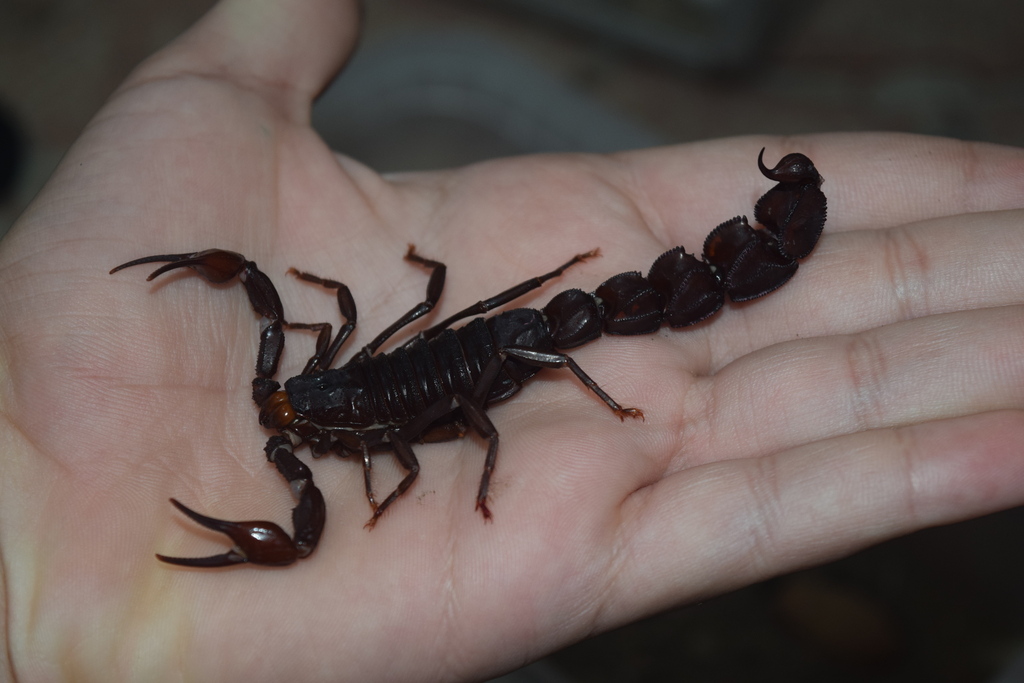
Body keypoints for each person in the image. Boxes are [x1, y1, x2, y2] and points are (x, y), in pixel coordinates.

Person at [2, 0, 1023, 680]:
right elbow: (334, 387)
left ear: (307, 378)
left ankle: (686, 285)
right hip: (449, 372)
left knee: (482, 364)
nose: (284, 399)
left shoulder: (324, 401)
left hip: (482, 347)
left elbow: (384, 319)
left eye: (289, 391)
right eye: (287, 403)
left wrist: (414, 446)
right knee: (464, 401)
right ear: (301, 402)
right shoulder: (334, 426)